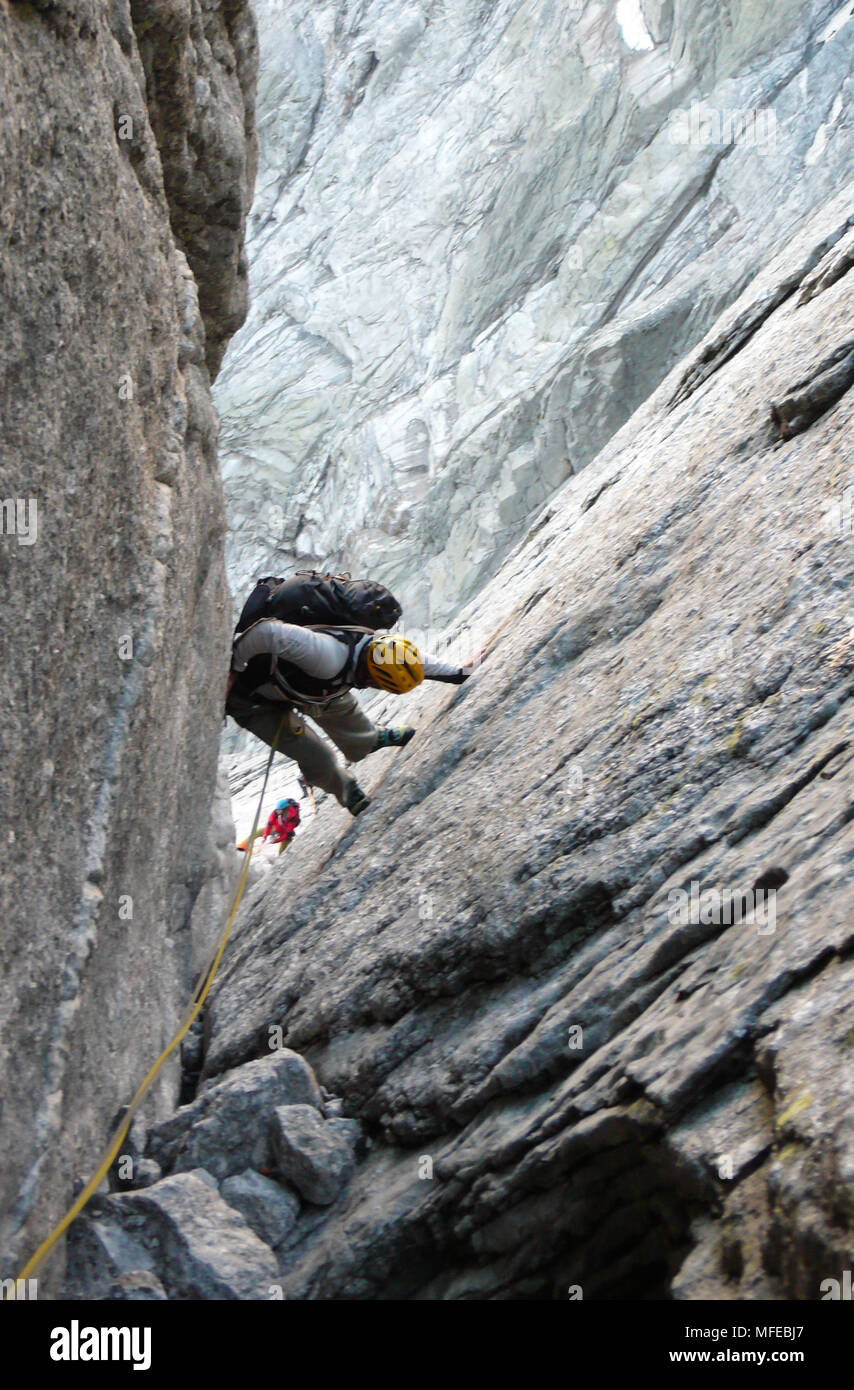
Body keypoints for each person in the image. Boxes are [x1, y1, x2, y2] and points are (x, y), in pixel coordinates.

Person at [225, 624, 477, 815]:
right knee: (317, 757)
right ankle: (345, 790)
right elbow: (266, 631)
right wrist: (234, 669)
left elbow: (412, 663)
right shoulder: (326, 656)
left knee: (342, 708)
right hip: (252, 697)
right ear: (370, 677)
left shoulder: (381, 650)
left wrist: (459, 673)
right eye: (379, 685)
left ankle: (368, 741)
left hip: (305, 685)